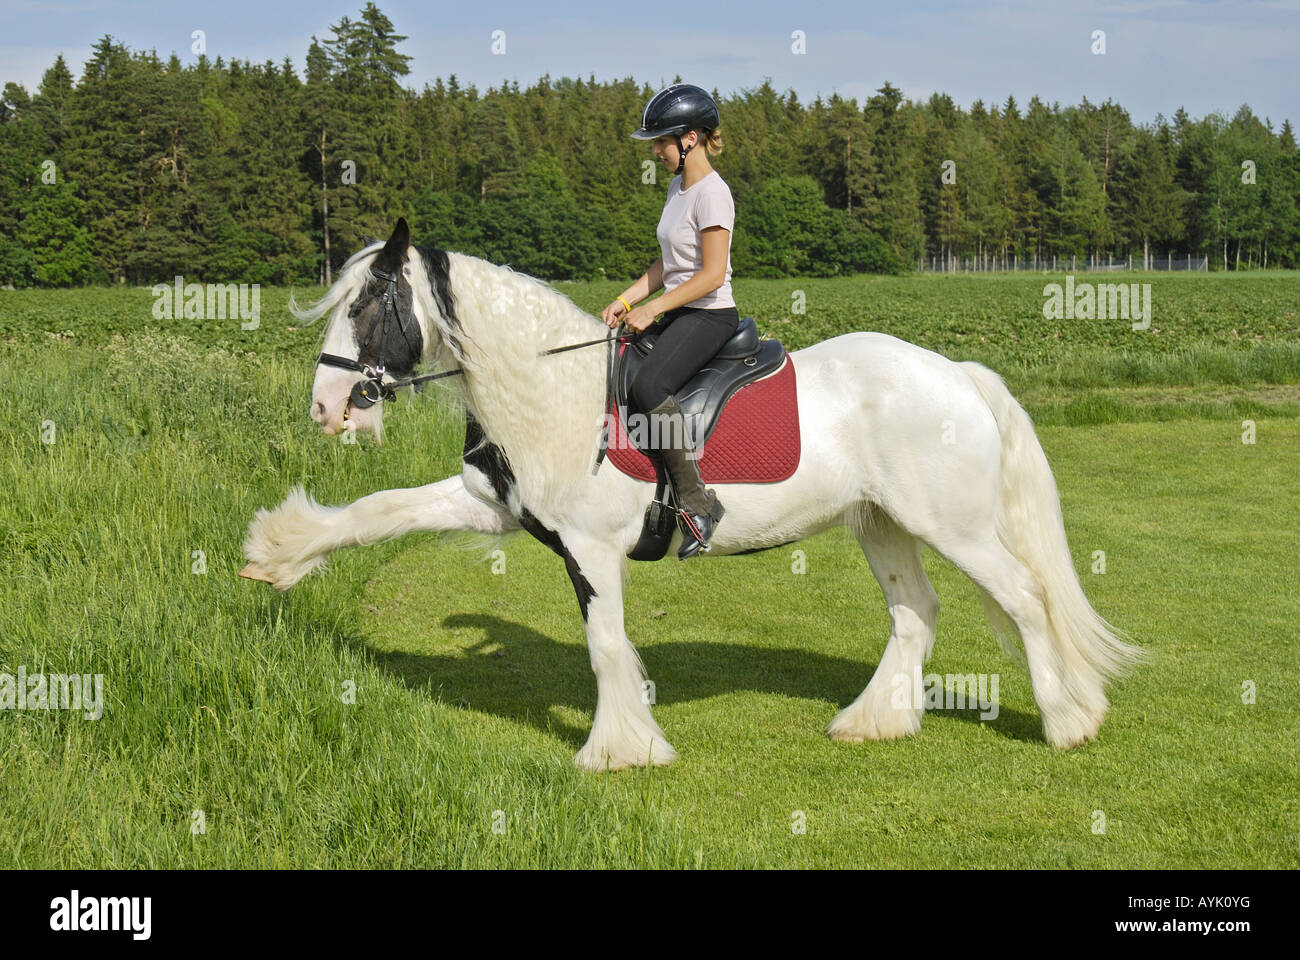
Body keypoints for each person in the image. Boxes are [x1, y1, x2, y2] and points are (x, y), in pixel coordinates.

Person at [600, 83, 738, 560]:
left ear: (692, 139)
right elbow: (666, 266)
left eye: (662, 140)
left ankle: (699, 505)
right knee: (620, 368)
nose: (656, 150)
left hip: (709, 314)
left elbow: (711, 275)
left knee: (650, 384)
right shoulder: (678, 188)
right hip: (679, 307)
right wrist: (626, 298)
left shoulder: (712, 195)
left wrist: (653, 309)